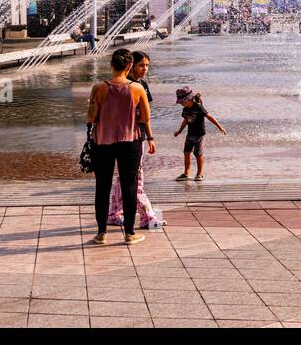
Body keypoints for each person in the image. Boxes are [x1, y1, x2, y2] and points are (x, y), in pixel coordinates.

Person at [86, 49, 154, 245]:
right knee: (129, 186)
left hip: (102, 142)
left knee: (103, 186)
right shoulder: (137, 89)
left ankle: (101, 233)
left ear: (111, 66)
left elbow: (91, 118)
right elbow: (145, 117)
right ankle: (129, 233)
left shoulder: (99, 88)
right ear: (129, 67)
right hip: (130, 141)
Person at [109, 51, 164, 230]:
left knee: (123, 179)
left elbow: (146, 117)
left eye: (147, 65)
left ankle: (113, 213)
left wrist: (150, 137)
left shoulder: (142, 85)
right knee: (135, 179)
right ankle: (148, 217)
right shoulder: (127, 86)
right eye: (141, 65)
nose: (145, 69)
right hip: (128, 139)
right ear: (130, 66)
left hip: (137, 137)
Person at [174, 86, 226, 182]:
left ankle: (199, 173)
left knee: (198, 154)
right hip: (189, 135)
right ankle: (186, 173)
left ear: (188, 99)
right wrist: (179, 131)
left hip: (199, 135)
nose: (180, 104)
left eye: (182, 102)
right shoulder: (185, 109)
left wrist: (219, 127)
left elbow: (209, 117)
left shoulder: (198, 107)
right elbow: (185, 120)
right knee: (186, 153)